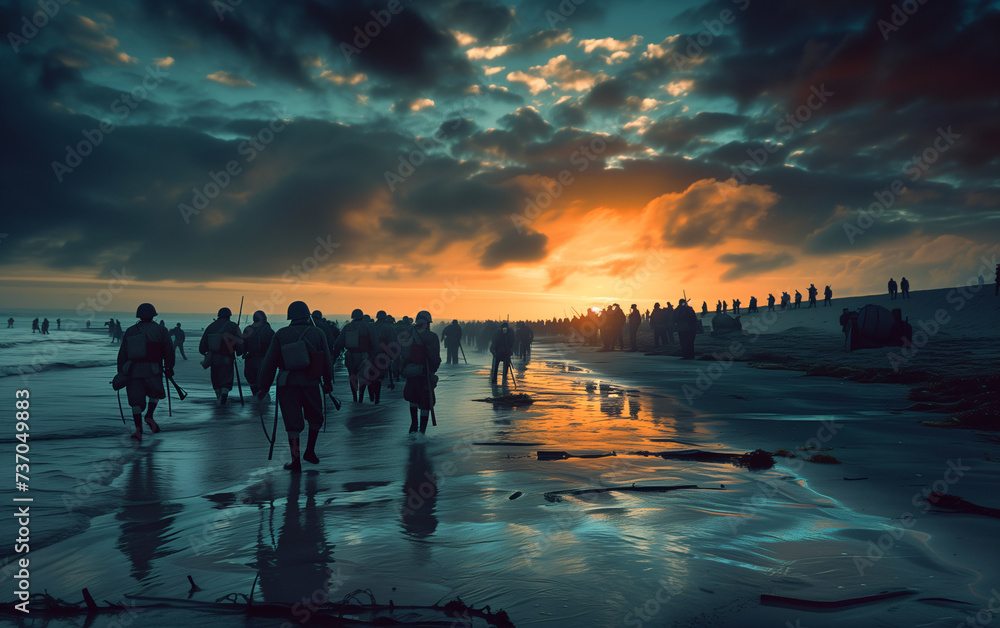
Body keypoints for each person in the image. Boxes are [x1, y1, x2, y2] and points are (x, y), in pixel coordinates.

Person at [256, 301, 334, 473]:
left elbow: (270, 362)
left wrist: (264, 386)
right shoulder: (317, 333)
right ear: (307, 314)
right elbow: (327, 359)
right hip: (311, 382)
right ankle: (310, 451)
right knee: (315, 418)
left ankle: (295, 461)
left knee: (292, 423)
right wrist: (328, 381)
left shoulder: (281, 334)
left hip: (287, 383)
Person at [116, 303, 174, 441]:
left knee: (135, 401)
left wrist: (121, 372)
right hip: (153, 370)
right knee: (155, 393)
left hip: (133, 371)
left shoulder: (130, 331)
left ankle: (138, 431)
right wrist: (170, 367)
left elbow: (122, 354)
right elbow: (169, 350)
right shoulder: (161, 330)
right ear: (153, 315)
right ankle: (149, 415)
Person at [400, 310, 441, 434]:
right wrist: (432, 370)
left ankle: (413, 424)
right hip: (424, 373)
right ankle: (422, 431)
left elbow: (403, 355)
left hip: (410, 372)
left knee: (412, 398)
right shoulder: (432, 336)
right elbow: (434, 358)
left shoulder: (407, 334)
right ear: (428, 323)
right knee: (425, 402)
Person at [199, 307, 245, 405]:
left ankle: (219, 397)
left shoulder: (211, 326)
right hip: (227, 358)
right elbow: (240, 344)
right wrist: (239, 352)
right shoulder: (233, 326)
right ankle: (224, 395)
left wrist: (207, 353)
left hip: (214, 359)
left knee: (216, 380)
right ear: (229, 316)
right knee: (226, 380)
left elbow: (202, 347)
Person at [333, 309, 374, 403]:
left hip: (350, 355)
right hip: (364, 355)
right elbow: (374, 341)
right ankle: (361, 397)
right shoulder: (368, 326)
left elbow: (338, 343)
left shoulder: (347, 327)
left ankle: (354, 397)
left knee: (352, 377)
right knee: (363, 378)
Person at [243, 311, 275, 398]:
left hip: (250, 362)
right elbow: (275, 347)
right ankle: (262, 403)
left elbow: (242, 347)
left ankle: (256, 401)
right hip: (264, 361)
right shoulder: (269, 330)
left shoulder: (247, 329)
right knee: (264, 385)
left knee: (253, 383)